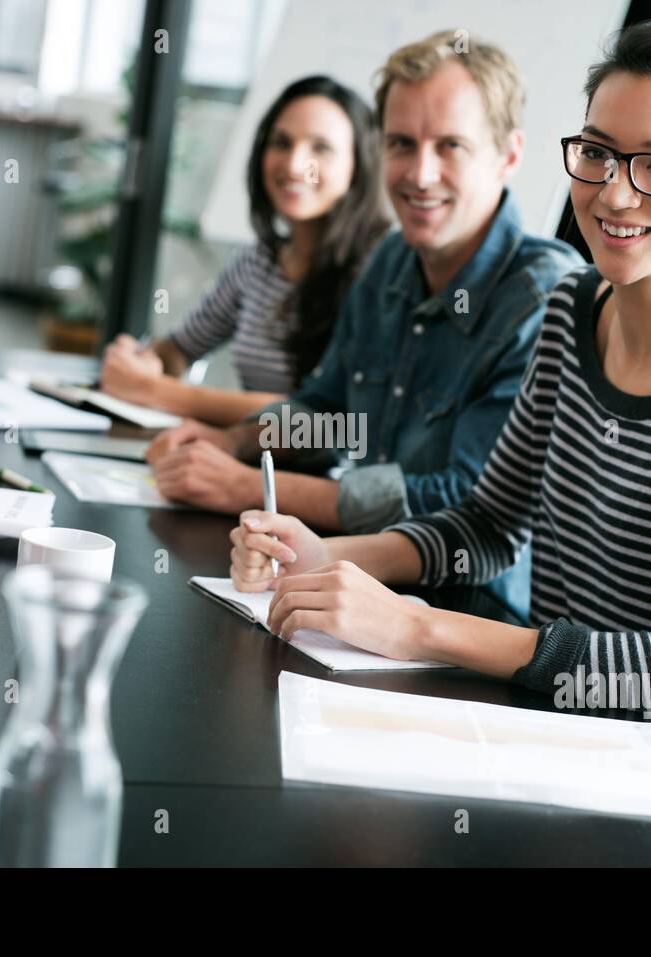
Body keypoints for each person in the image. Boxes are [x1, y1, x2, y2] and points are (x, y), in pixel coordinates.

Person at [227, 16, 651, 822]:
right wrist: (327, 556)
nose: (614, 191)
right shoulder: (573, 308)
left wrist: (419, 627)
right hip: (569, 751)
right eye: (600, 152)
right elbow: (485, 524)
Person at [149, 31, 582, 621]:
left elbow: (464, 500)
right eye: (402, 143)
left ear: (508, 154)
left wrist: (242, 486)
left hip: (473, 620)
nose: (420, 173)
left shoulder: (543, 295)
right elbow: (328, 413)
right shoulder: (390, 261)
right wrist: (232, 441)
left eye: (450, 145)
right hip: (353, 592)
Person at [99, 75, 390, 426]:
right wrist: (142, 363)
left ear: (359, 165)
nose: (296, 164)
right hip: (245, 461)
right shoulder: (259, 262)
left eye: (321, 148)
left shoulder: (382, 271)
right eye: (281, 143)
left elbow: (324, 420)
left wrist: (155, 390)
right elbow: (179, 348)